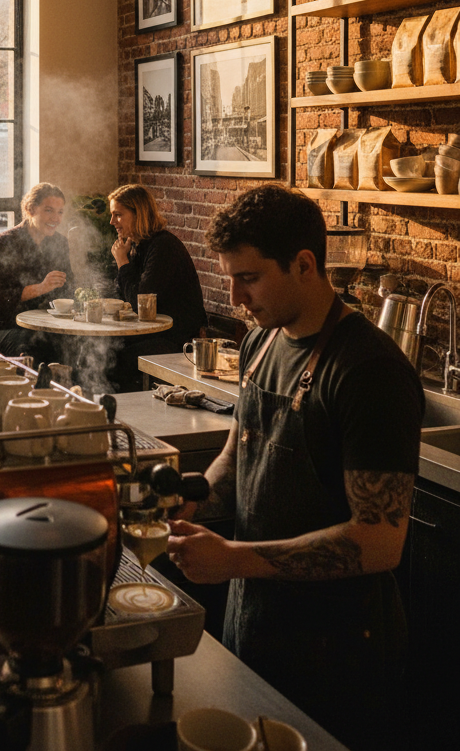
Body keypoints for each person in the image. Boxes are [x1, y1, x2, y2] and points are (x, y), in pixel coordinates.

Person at [167, 184, 423, 751]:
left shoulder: (370, 372)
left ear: (304, 265)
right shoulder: (260, 341)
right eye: (230, 278)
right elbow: (237, 454)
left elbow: (379, 542)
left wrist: (234, 558)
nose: (235, 297)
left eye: (249, 278)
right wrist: (192, 501)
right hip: (256, 621)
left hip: (338, 651)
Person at [106, 183, 207, 390]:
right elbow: (123, 295)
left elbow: (140, 302)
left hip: (177, 339)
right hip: (151, 332)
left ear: (138, 214)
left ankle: (125, 407)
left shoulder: (163, 246)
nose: (112, 221)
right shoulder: (137, 245)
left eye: (118, 215)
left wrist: (122, 262)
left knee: (116, 359)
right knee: (102, 350)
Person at [0, 182, 73, 364]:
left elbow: (69, 286)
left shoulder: (59, 243)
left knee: (76, 348)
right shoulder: (4, 243)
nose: (56, 218)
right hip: (3, 328)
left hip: (45, 326)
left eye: (60, 212)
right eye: (49, 210)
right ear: (30, 209)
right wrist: (40, 288)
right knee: (35, 350)